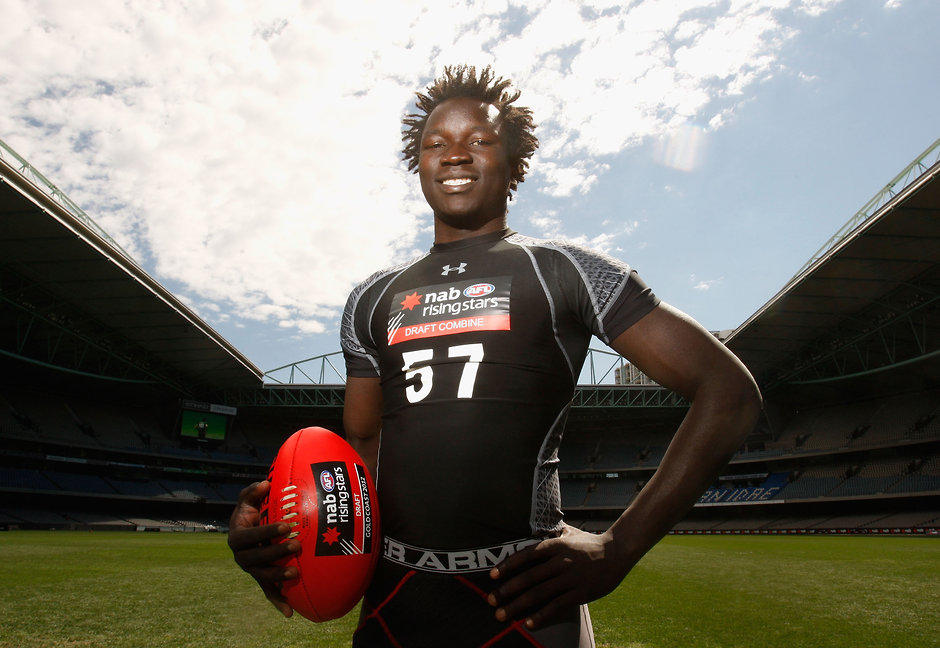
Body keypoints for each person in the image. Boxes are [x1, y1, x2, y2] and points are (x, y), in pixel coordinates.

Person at [228, 65, 762, 647]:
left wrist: (618, 547)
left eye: (478, 141)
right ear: (419, 165)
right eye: (436, 144)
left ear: (513, 164)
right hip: (394, 602)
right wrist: (287, 534)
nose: (454, 155)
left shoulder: (566, 269)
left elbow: (728, 393)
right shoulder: (371, 297)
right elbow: (361, 452)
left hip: (526, 601)